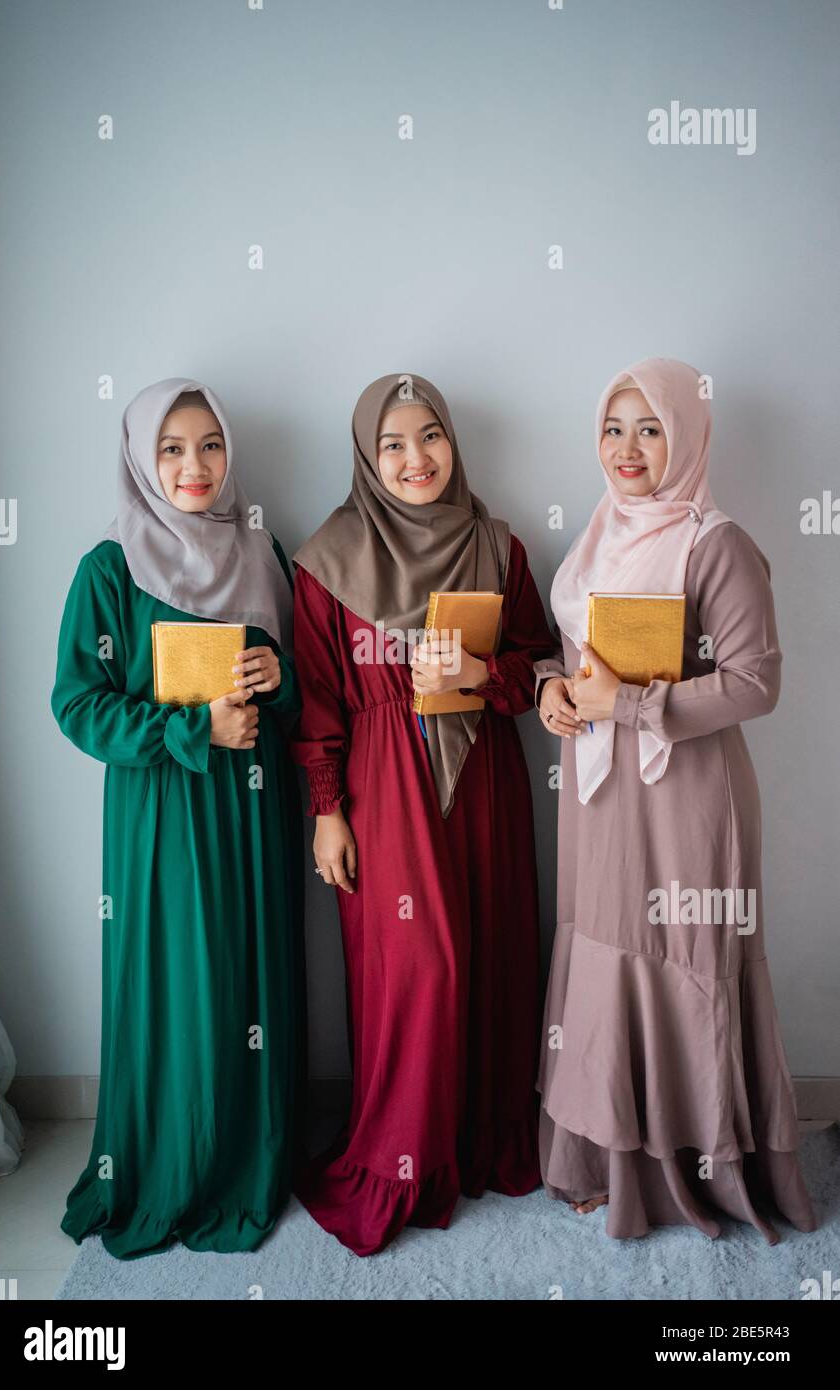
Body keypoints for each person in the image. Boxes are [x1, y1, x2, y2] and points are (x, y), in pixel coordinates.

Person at [534, 357, 817, 1242]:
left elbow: (754, 684)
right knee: (608, 957)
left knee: (683, 955)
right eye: (614, 428)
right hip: (597, 793)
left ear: (686, 438)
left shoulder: (715, 541)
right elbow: (574, 651)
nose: (627, 449)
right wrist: (551, 685)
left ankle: (697, 1176)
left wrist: (627, 705)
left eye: (649, 428)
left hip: (688, 793)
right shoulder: (597, 533)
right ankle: (607, 1164)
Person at [290, 372, 553, 1255]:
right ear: (368, 454)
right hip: (382, 784)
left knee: (490, 953)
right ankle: (405, 1157)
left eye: (430, 436)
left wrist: (481, 676)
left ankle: (482, 1141)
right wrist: (327, 810)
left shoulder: (498, 545)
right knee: (418, 973)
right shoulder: (327, 558)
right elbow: (319, 698)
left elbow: (537, 664)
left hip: (484, 778)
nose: (415, 459)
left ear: (453, 442)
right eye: (394, 443)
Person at [51, 378, 305, 1258]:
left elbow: (293, 676)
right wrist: (190, 728)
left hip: (251, 810)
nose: (194, 467)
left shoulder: (261, 549)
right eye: (171, 448)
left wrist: (277, 682)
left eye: (209, 445)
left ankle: (244, 1157)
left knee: (246, 978)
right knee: (174, 983)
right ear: (139, 459)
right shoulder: (109, 568)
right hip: (161, 816)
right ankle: (167, 1165)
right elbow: (79, 706)